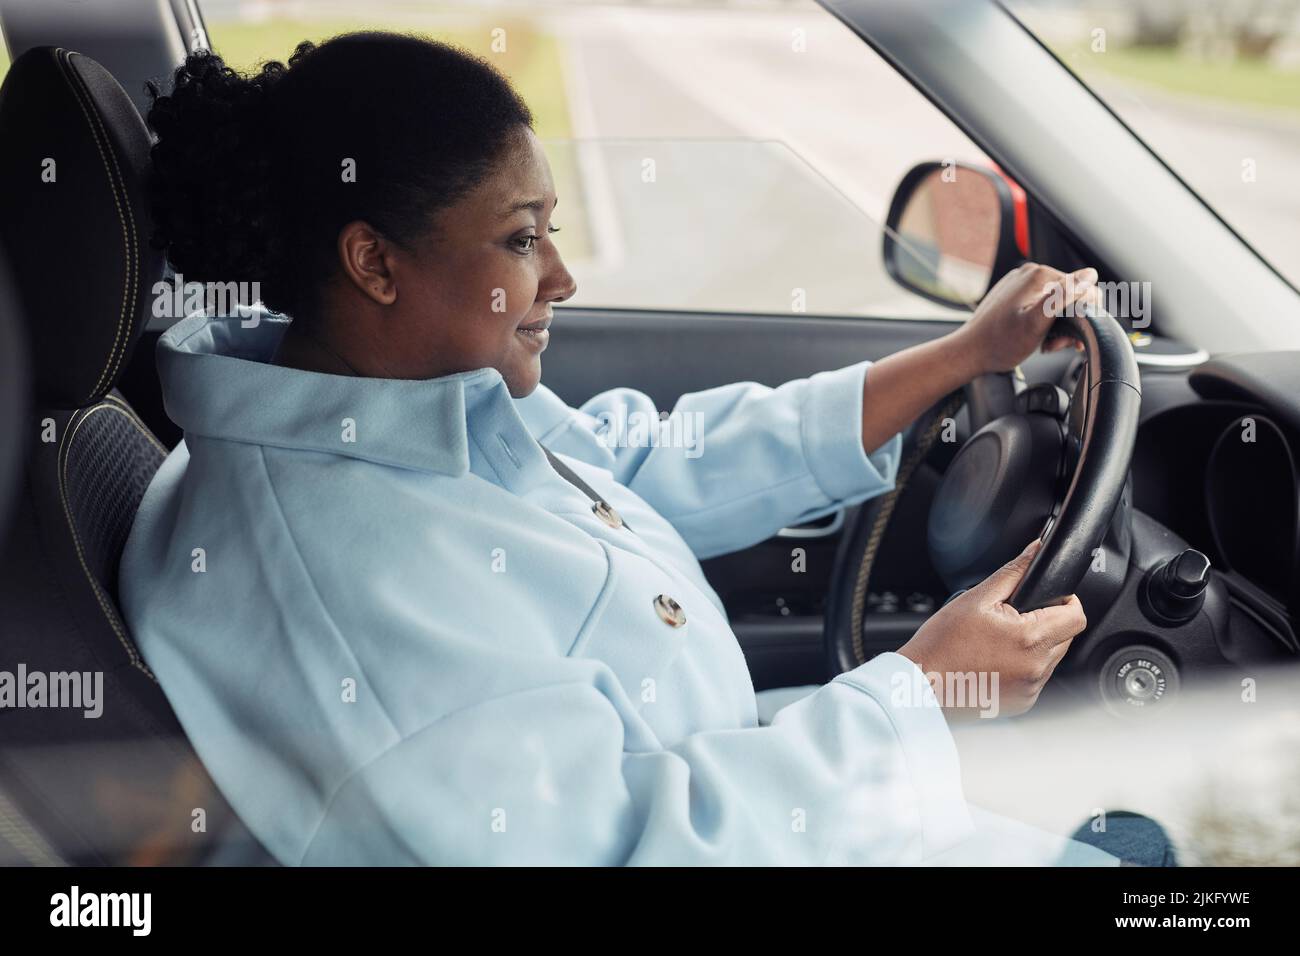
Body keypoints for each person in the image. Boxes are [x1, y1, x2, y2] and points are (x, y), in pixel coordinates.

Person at [122, 32, 1135, 865]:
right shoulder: (332, 577)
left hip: (766, 793)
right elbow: (611, 848)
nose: (560, 276)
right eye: (522, 239)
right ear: (374, 263)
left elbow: (645, 463)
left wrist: (966, 352)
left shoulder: (396, 406)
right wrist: (921, 692)